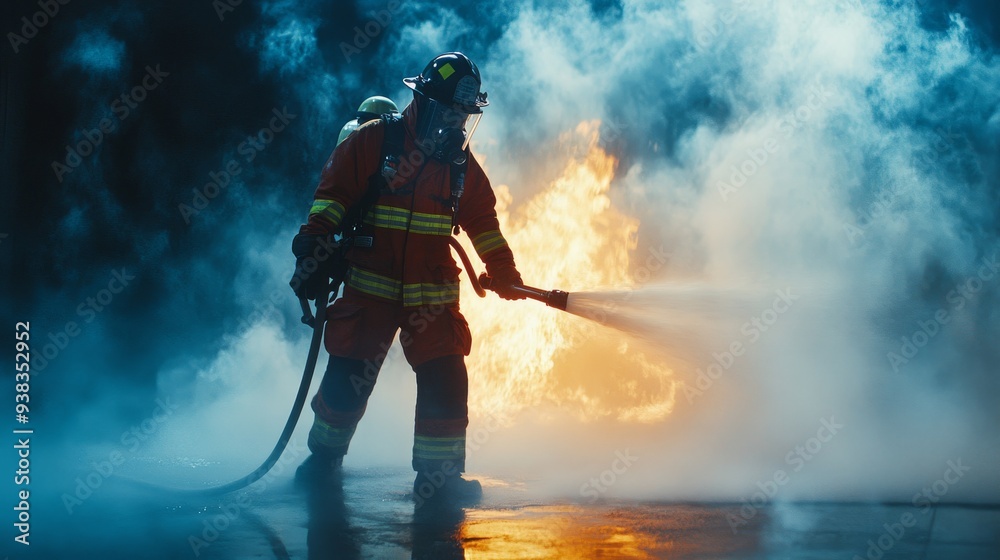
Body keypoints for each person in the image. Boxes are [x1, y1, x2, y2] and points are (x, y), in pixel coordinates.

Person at [290, 52, 524, 502]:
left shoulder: (460, 167)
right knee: (346, 382)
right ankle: (323, 460)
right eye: (451, 110)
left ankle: (439, 480)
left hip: (432, 298)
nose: (457, 122)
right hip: (370, 289)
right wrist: (313, 248)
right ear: (425, 101)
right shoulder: (375, 142)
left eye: (465, 114)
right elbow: (332, 197)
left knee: (447, 382)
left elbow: (484, 224)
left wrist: (505, 272)